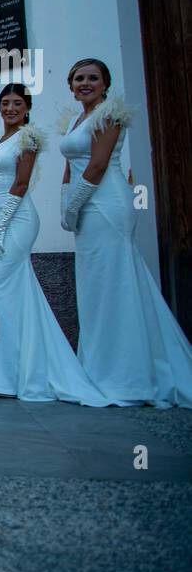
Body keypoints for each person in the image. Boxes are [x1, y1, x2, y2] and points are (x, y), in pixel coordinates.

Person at [0, 83, 105, 404]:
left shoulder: (28, 138)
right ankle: (14, 368)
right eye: (5, 103)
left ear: (27, 107)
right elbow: (0, 186)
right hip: (3, 218)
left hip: (18, 220)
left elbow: (20, 184)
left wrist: (2, 223)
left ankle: (8, 374)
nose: (10, 108)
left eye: (17, 103)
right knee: (17, 292)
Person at [59, 58, 192, 407]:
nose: (85, 83)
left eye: (93, 78)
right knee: (95, 286)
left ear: (105, 83)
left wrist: (75, 205)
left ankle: (127, 376)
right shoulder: (75, 120)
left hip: (107, 203)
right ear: (71, 86)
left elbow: (99, 164)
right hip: (83, 202)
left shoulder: (110, 113)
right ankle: (98, 367)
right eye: (78, 79)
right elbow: (69, 167)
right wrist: (65, 203)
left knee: (116, 281)